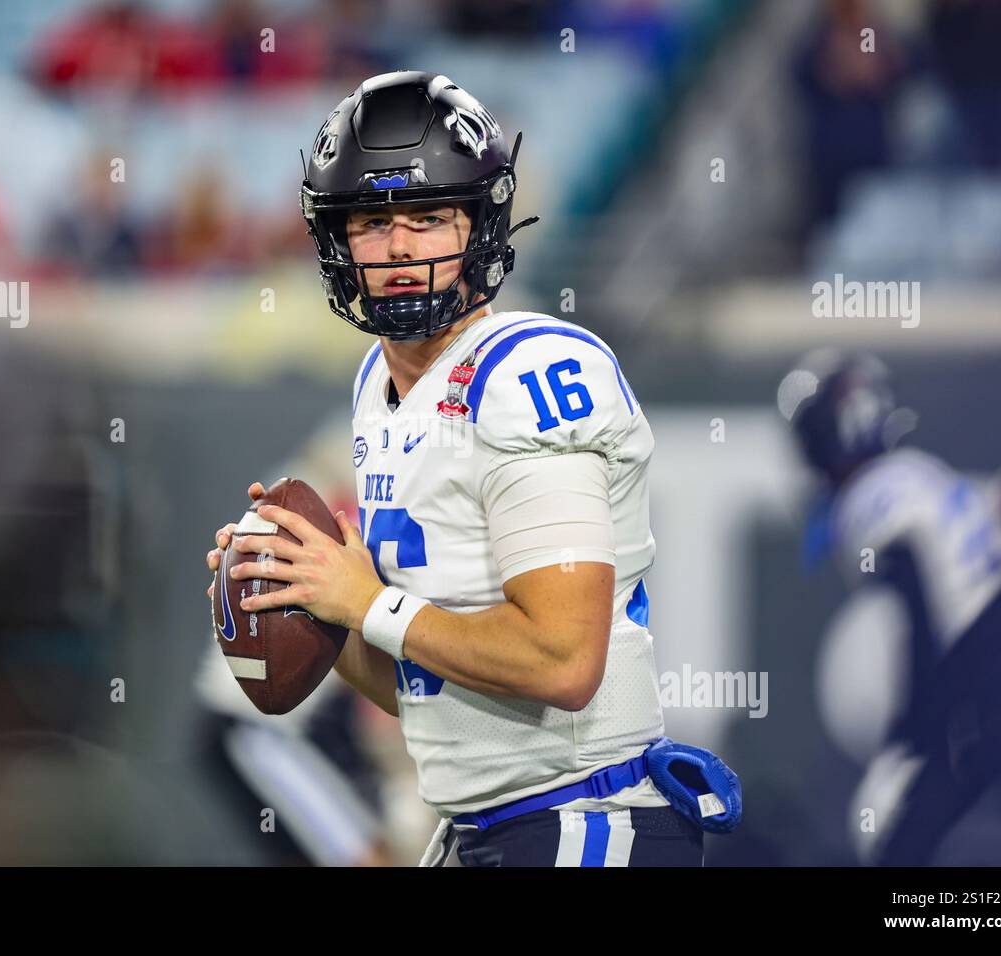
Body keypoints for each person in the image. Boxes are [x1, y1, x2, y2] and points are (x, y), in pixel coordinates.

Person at [207, 71, 738, 867]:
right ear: (335, 241)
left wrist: (369, 601)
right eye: (372, 221)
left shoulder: (529, 372)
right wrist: (312, 598)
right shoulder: (376, 389)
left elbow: (563, 660)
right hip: (485, 827)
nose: (400, 248)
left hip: (585, 815)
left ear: (480, 225)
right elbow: (435, 695)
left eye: (429, 217)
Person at [778, 350, 1001, 864]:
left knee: (895, 835)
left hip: (981, 676)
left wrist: (916, 730)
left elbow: (919, 595)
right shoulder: (919, 472)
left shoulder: (873, 495)